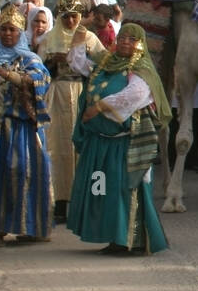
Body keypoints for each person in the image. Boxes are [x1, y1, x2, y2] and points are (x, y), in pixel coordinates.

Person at [60, 23, 168, 254]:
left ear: (140, 43)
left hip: (123, 145)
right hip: (99, 143)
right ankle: (109, 237)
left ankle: (127, 241)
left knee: (121, 192)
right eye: (122, 38)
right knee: (101, 190)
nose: (126, 42)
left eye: (132, 39)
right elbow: (79, 64)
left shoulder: (142, 69)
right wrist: (80, 37)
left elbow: (135, 95)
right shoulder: (107, 64)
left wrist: (98, 107)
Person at [0, 6, 52, 246]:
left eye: (13, 30)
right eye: (4, 29)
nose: (8, 34)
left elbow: (39, 81)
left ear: (21, 33)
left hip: (21, 128)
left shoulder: (31, 59)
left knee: (21, 173)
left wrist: (9, 76)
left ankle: (28, 226)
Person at [40, 0, 100, 222]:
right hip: (57, 95)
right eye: (66, 17)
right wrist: (52, 63)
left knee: (81, 148)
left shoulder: (89, 37)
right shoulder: (48, 39)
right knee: (59, 146)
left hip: (82, 93)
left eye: (75, 17)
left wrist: (83, 64)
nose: (71, 22)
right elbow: (39, 70)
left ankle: (84, 200)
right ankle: (60, 201)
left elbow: (102, 62)